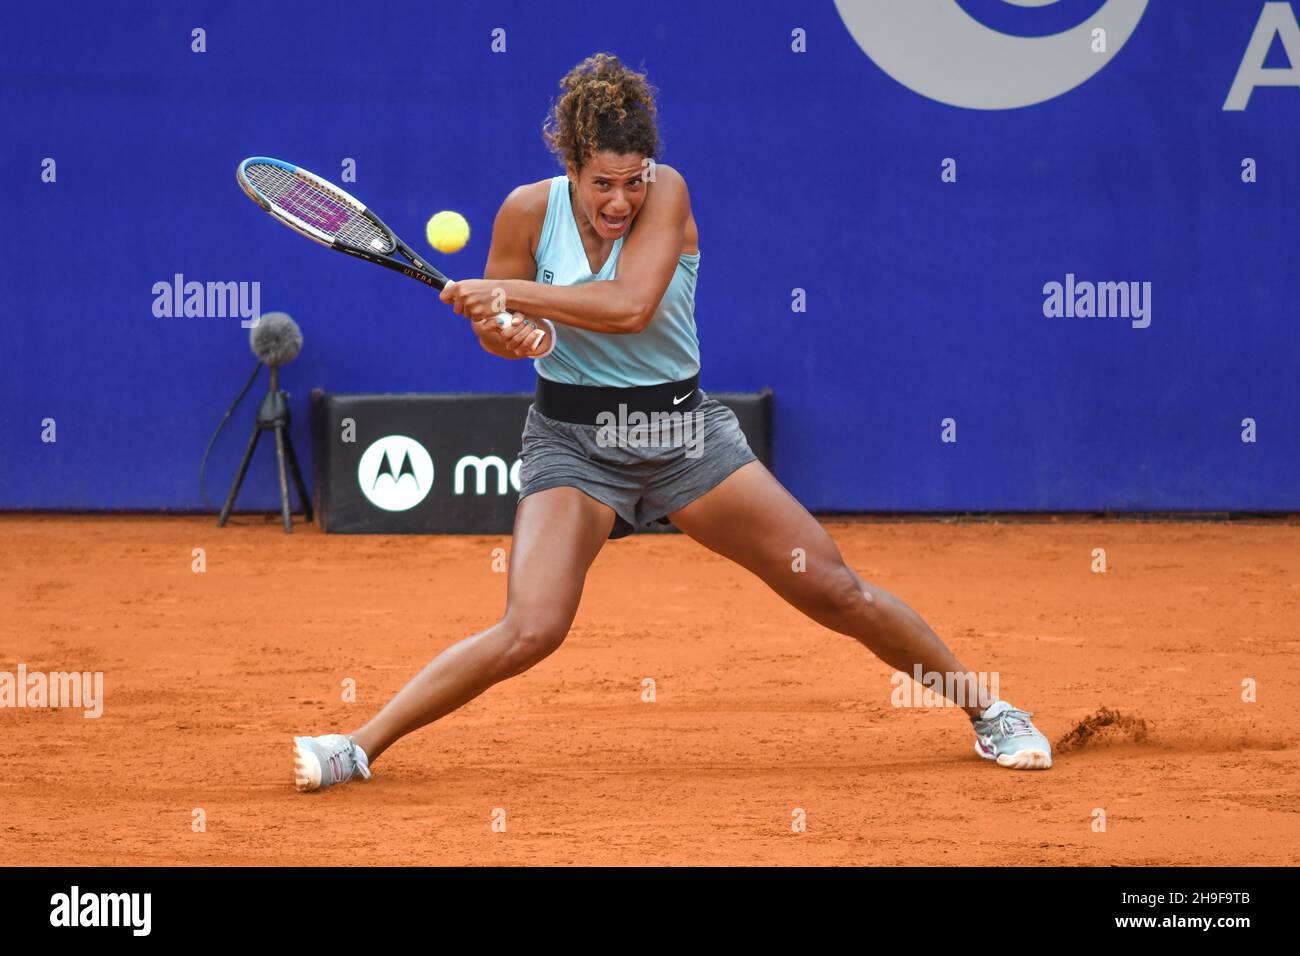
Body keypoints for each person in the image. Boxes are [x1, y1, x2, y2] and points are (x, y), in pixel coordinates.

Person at [292, 53, 1051, 793]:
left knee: (834, 589)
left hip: (681, 439)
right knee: (531, 628)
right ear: (572, 168)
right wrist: (503, 327)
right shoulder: (526, 211)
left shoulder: (671, 194)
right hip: (571, 446)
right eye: (602, 184)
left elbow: (628, 308)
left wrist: (514, 292)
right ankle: (356, 747)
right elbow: (499, 338)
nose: (619, 200)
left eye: (633, 180)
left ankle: (989, 709)